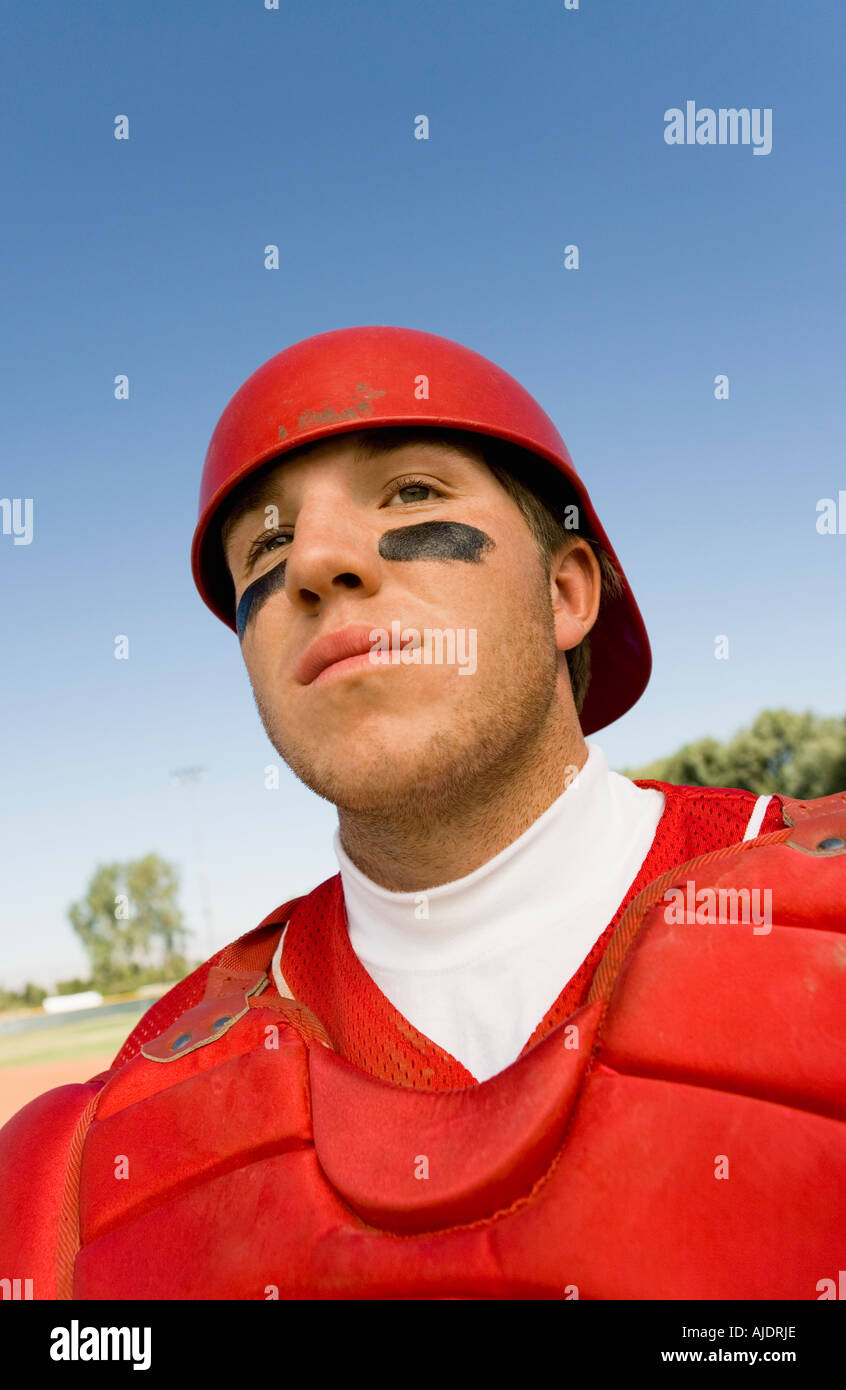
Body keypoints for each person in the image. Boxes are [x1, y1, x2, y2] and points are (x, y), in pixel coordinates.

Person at [1, 325, 844, 1301]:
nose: (314, 560)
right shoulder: (91, 1164)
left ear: (567, 593)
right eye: (267, 545)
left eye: (411, 492)